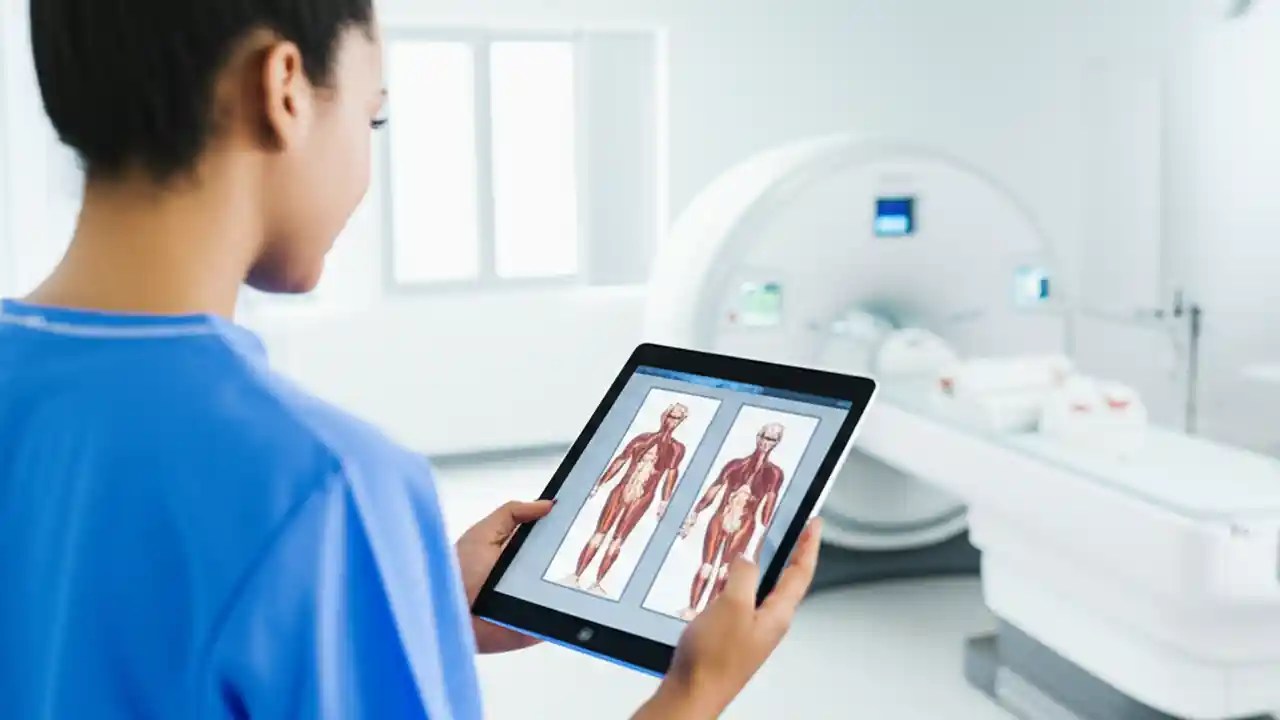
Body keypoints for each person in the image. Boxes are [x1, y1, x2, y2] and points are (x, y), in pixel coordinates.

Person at [0, 0, 824, 718]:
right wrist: (694, 693)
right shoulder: (325, 482)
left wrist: (408, 594)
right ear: (282, 88)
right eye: (373, 116)